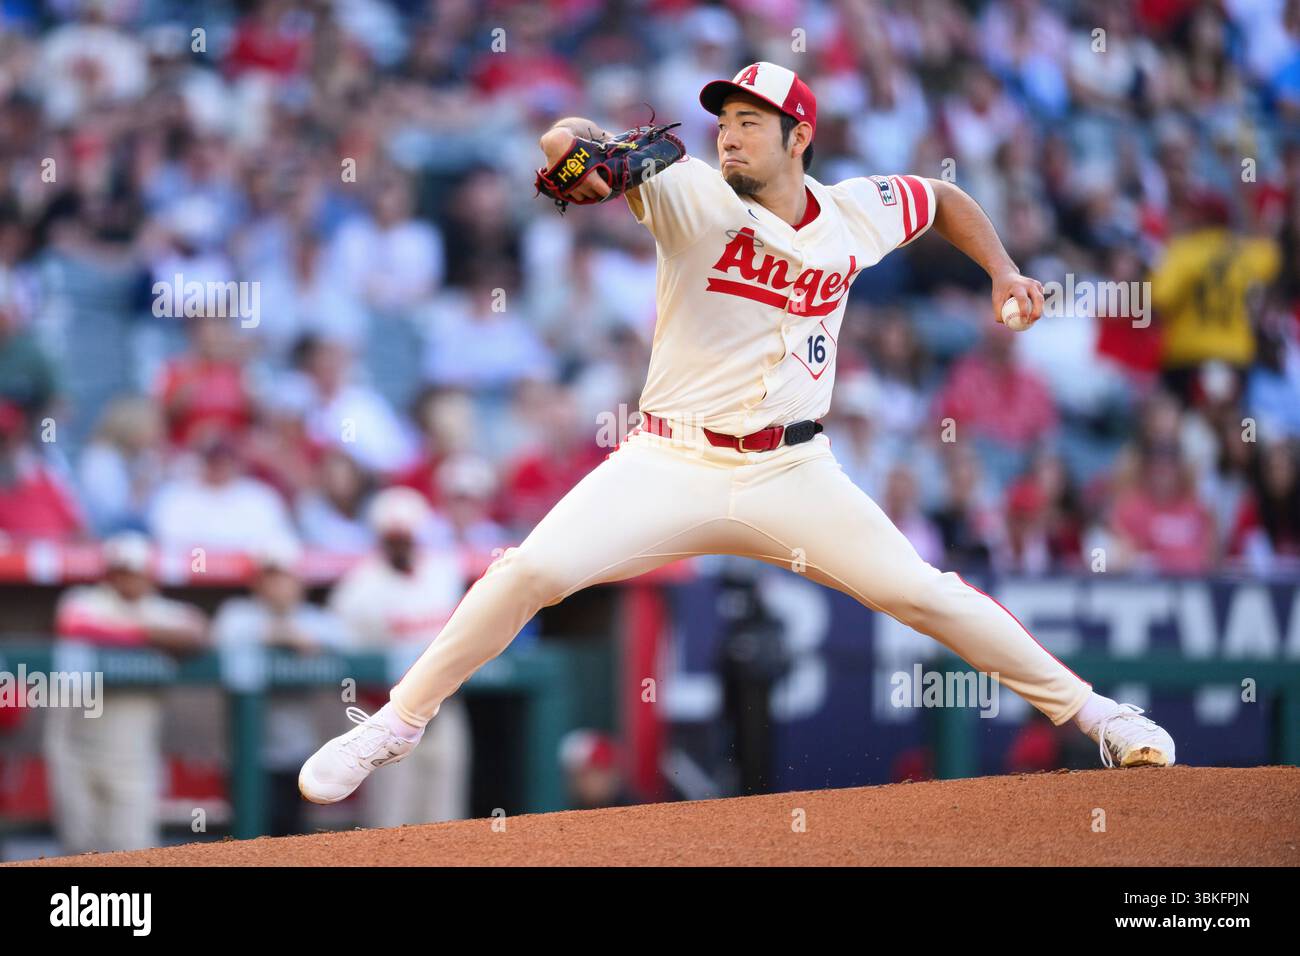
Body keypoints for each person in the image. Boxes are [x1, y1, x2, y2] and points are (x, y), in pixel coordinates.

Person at [300, 62, 1176, 812]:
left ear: (800, 138)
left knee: (926, 592)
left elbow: (941, 197)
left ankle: (1097, 716)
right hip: (670, 459)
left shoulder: (856, 211)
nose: (728, 136)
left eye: (751, 123)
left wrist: (1005, 270)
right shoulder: (686, 193)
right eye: (723, 120)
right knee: (528, 571)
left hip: (793, 468)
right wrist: (584, 150)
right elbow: (564, 139)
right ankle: (392, 725)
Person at [44, 532, 208, 853]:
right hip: (76, 750)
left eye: (134, 572)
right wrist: (148, 635)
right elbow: (74, 626)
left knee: (133, 850)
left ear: (149, 575)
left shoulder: (161, 609)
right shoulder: (84, 600)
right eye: (121, 571)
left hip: (134, 757)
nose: (128, 580)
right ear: (108, 572)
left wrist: (141, 631)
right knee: (79, 850)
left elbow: (198, 633)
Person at [324, 487, 471, 826]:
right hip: (385, 719)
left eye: (406, 538)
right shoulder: (358, 588)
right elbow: (343, 669)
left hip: (443, 711)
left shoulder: (444, 572)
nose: (401, 546)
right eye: (393, 539)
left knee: (446, 818)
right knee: (391, 822)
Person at [212, 539, 350, 836]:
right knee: (246, 841)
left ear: (299, 582)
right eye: (270, 578)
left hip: (296, 755)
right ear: (258, 583)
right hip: (246, 756)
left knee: (292, 839)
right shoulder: (238, 614)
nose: (278, 586)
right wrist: (281, 636)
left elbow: (344, 641)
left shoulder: (316, 620)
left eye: (285, 577)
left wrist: (309, 641)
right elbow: (221, 638)